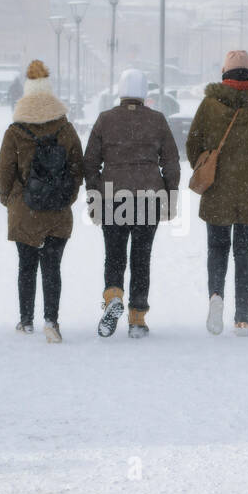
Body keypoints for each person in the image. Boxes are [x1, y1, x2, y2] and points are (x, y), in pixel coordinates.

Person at [184, 50, 248, 336]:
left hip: (217, 189)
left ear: (224, 73)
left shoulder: (209, 105)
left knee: (217, 248)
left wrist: (205, 168)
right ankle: (242, 319)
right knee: (245, 253)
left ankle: (216, 296)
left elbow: (192, 144)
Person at [83, 68, 181, 338]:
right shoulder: (157, 120)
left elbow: (90, 162)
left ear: (120, 91)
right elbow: (171, 162)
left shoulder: (105, 119)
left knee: (114, 255)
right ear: (144, 92)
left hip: (113, 197)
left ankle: (114, 296)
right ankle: (137, 318)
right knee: (141, 258)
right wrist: (171, 196)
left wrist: (93, 196)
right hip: (149, 198)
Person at [0, 60, 83, 343]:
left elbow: (4, 169)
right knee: (52, 267)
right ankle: (51, 322)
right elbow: (78, 168)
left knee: (26, 266)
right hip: (58, 210)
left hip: (25, 210)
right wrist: (67, 196)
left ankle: (25, 321)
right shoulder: (66, 129)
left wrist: (9, 200)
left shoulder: (15, 131)